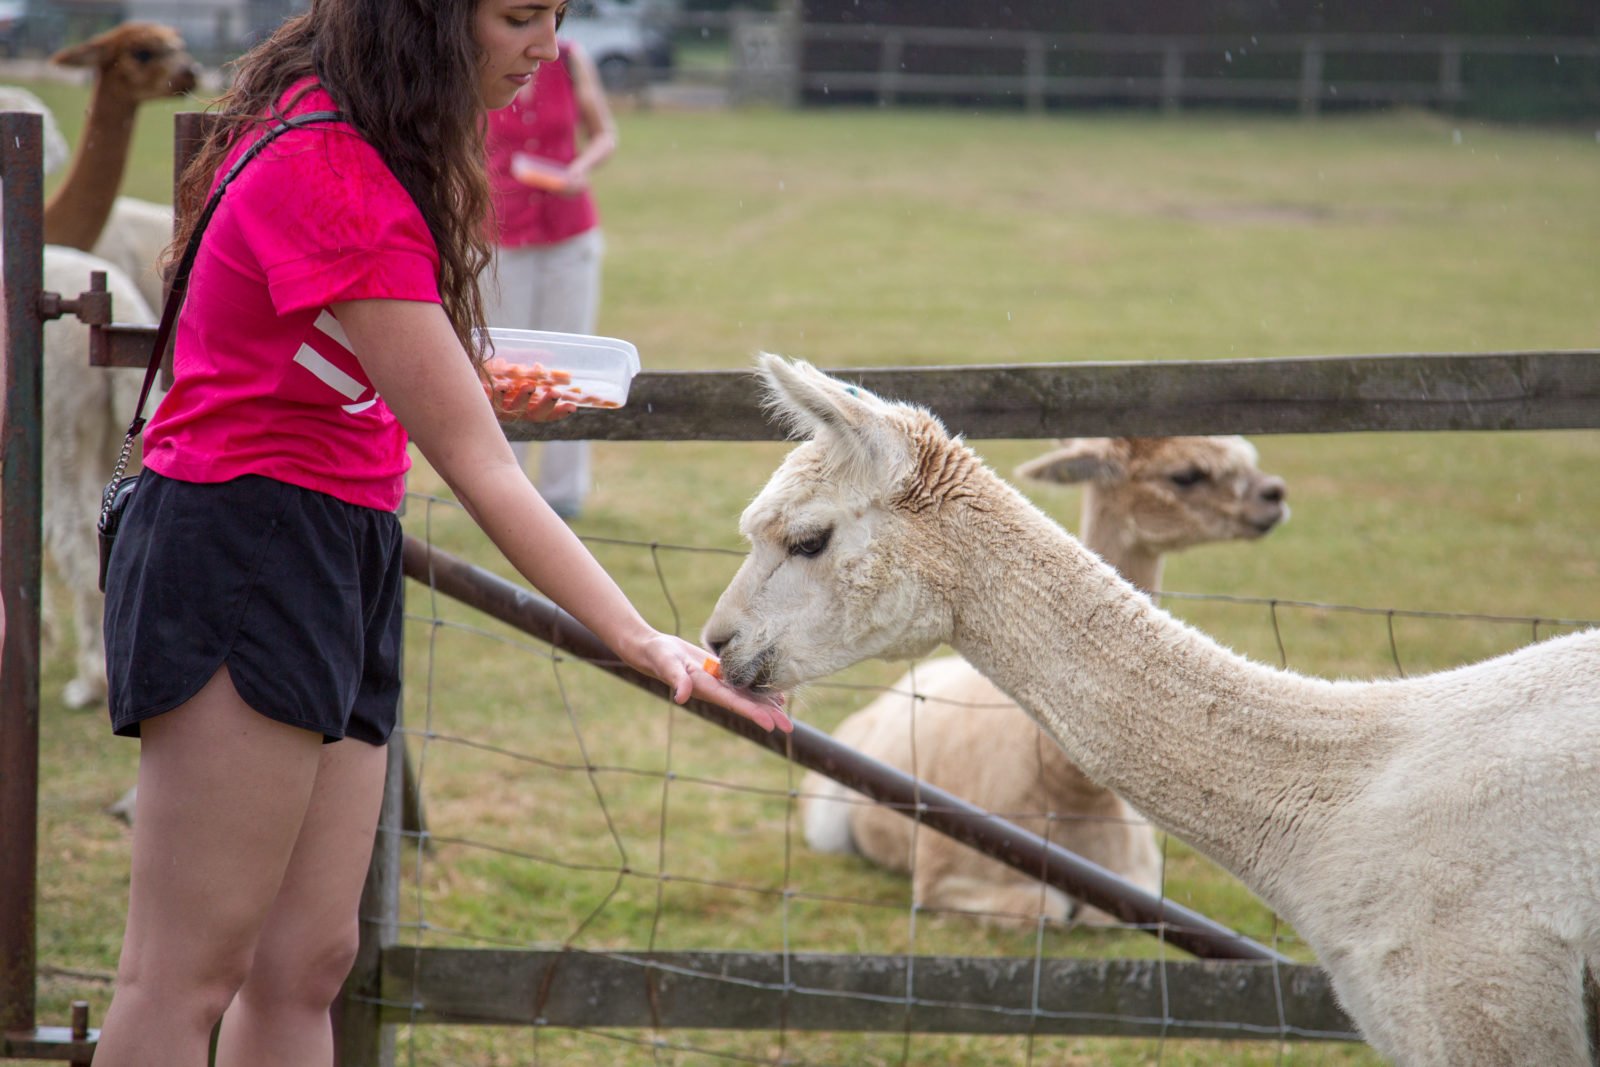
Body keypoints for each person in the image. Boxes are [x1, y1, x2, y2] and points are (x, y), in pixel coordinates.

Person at [91, 2, 791, 1064]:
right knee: (182, 974)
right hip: (243, 541)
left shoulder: (373, 136)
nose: (547, 48)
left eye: (557, 15)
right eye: (517, 16)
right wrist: (636, 636)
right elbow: (482, 466)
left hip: (341, 537)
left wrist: (458, 374)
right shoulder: (330, 164)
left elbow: (351, 339)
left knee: (307, 963)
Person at [485, 33, 616, 519]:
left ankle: (564, 491)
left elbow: (605, 134)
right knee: (505, 363)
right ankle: (503, 486)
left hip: (568, 230)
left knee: (571, 358)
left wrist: (580, 167)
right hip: (499, 230)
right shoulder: (476, 61)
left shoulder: (572, 61)